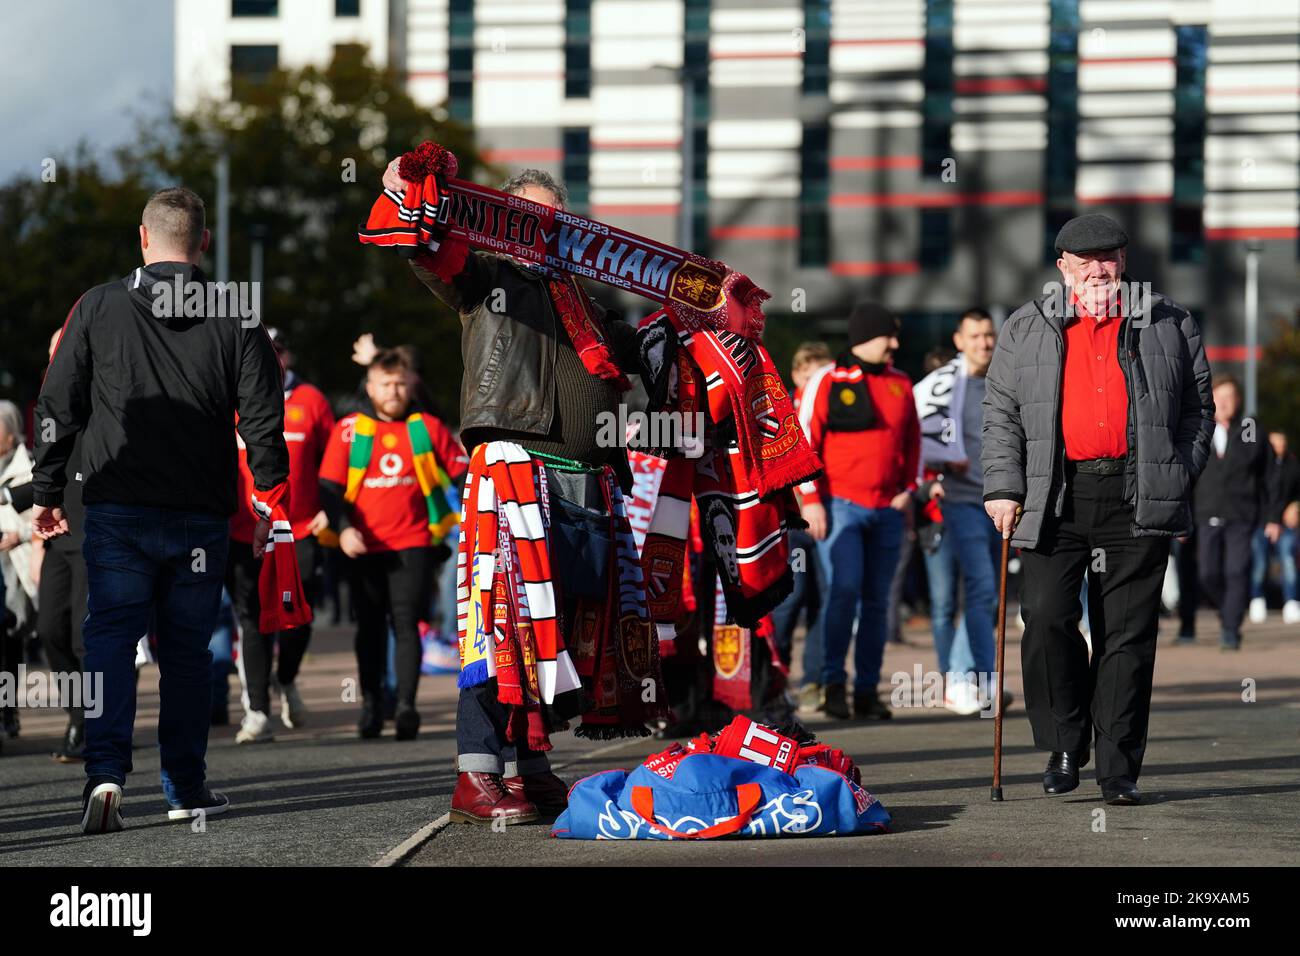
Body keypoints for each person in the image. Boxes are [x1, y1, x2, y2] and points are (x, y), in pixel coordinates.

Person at [379, 159, 647, 825]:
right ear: (497, 223)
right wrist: (405, 194)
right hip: (517, 472)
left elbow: (637, 352)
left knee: (558, 632)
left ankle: (529, 763)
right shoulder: (484, 276)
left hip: (586, 484)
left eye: (549, 219)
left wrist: (697, 314)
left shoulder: (584, 297)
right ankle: (476, 773)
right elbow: (426, 252)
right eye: (524, 216)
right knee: (501, 625)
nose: (538, 229)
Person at [31, 186, 294, 834]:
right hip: (199, 509)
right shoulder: (236, 312)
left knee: (111, 640)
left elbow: (57, 404)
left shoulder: (99, 304)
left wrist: (45, 491)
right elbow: (264, 415)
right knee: (185, 650)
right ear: (203, 242)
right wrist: (270, 494)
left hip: (117, 502)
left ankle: (107, 774)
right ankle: (185, 785)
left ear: (143, 238)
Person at [983, 213, 1214, 805]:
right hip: (1054, 495)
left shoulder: (1170, 322)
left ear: (1124, 262)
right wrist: (1003, 487)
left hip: (1135, 498)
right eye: (1083, 262)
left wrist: (1176, 471)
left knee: (1127, 638)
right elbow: (1001, 414)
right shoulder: (1025, 327)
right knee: (1047, 619)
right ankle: (1065, 740)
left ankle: (1118, 769)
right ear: (1062, 268)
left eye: (1107, 259)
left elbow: (1199, 411)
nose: (1097, 271)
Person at [319, 348, 468, 741]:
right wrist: (343, 528)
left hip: (414, 543)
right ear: (370, 387)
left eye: (400, 383)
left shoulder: (427, 427)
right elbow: (329, 488)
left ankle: (405, 707)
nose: (394, 390)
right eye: (385, 384)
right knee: (369, 626)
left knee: (406, 625)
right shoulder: (350, 428)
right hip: (362, 546)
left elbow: (462, 473)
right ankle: (370, 706)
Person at [798, 303, 920, 720]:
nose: (896, 344)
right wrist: (811, 502)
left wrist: (909, 490)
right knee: (844, 591)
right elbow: (801, 443)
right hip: (840, 508)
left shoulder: (902, 383)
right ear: (867, 336)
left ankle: (867, 690)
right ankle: (833, 684)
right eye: (889, 335)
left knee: (877, 602)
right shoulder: (826, 379)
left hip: (887, 509)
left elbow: (913, 445)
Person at [226, 327, 335, 743]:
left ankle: (286, 679)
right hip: (243, 528)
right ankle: (256, 711)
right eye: (263, 349)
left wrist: (330, 511)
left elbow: (333, 462)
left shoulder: (312, 401)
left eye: (278, 350)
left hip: (302, 528)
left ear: (287, 355)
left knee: (297, 617)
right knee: (252, 619)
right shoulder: (228, 395)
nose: (272, 357)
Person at [914, 308, 1007, 715]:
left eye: (989, 335)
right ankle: (958, 679)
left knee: (989, 597)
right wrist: (932, 472)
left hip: (1004, 503)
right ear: (959, 340)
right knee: (976, 590)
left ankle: (984, 683)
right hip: (961, 501)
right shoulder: (939, 387)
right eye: (975, 336)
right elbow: (913, 437)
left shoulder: (1006, 379)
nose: (984, 343)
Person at [1191, 376, 1274, 649]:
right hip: (1206, 513)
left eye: (1230, 397)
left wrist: (1272, 517)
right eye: (1219, 397)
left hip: (1242, 514)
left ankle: (1230, 628)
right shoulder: (1198, 429)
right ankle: (1227, 610)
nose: (1224, 403)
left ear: (1238, 401)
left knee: (1237, 571)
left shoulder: (1251, 429)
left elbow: (1268, 476)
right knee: (1208, 574)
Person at [774, 342, 833, 712]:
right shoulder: (783, 412)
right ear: (796, 376)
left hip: (826, 520)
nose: (815, 382)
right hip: (793, 521)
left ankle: (814, 681)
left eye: (822, 375)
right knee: (788, 602)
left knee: (822, 603)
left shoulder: (830, 411)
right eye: (809, 374)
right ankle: (776, 680)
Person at [1249, 429, 1299, 624]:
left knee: (1288, 561)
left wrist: (1295, 506)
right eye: (1275, 444)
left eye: (1282, 443)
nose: (1279, 447)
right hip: (1259, 522)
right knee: (1259, 564)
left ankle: (1292, 601)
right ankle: (1257, 599)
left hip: (1285, 524)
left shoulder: (1293, 466)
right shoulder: (1256, 467)